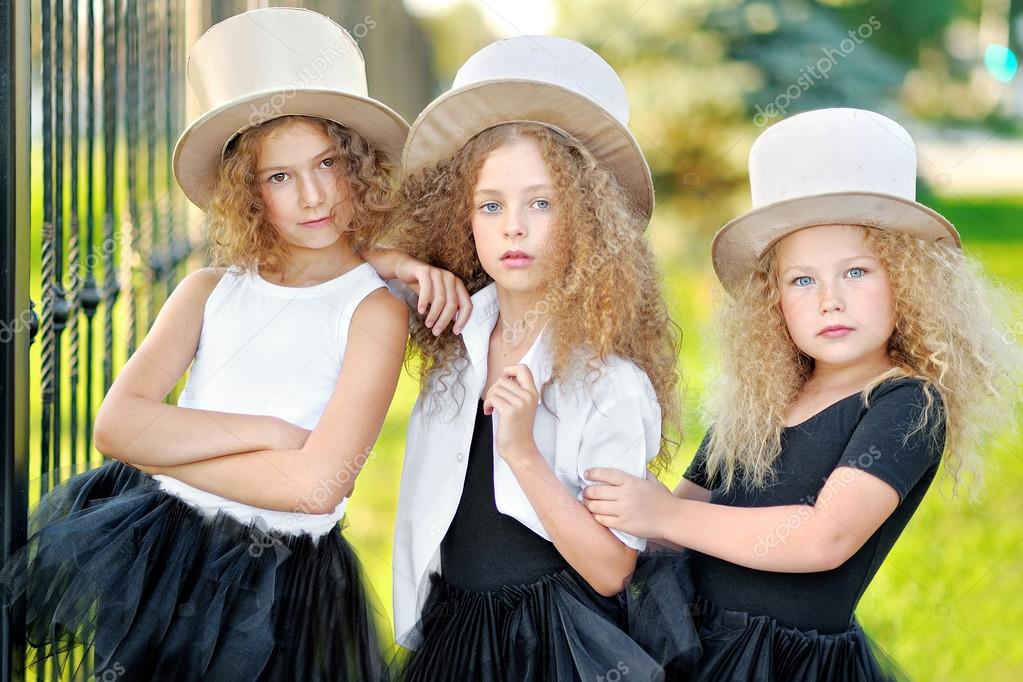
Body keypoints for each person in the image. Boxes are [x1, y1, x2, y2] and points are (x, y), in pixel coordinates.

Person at [1, 8, 468, 680]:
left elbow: (316, 486)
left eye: (327, 164)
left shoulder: (372, 311)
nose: (311, 195)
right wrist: (271, 433)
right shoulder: (207, 291)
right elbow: (115, 425)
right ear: (248, 193)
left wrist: (165, 454)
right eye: (279, 177)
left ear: (357, 165)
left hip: (280, 588)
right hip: (164, 554)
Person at [583, 107, 1022, 681]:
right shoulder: (761, 403)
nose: (829, 300)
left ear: (910, 284)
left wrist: (664, 513)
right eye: (803, 280)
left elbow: (824, 537)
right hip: (694, 644)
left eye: (857, 272)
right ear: (774, 303)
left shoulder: (906, 402)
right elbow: (677, 522)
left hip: (792, 664)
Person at [389, 36, 687, 681]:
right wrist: (403, 264)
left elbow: (613, 570)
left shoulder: (610, 383)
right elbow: (329, 266)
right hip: (454, 634)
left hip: (556, 642)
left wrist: (521, 451)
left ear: (586, 220)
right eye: (490, 205)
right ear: (461, 219)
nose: (512, 227)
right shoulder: (455, 352)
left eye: (541, 203)